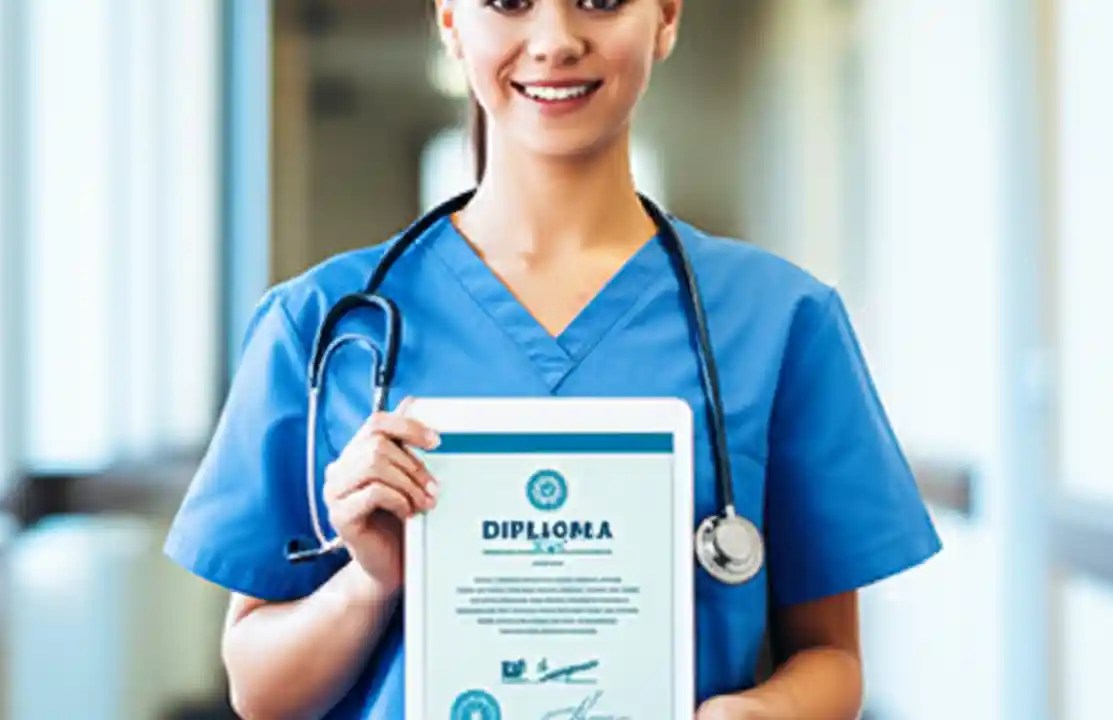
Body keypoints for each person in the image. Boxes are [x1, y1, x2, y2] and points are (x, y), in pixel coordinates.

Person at [162, 0, 942, 718]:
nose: (556, 39)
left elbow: (832, 659)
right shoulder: (319, 321)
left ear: (666, 16)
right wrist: (372, 581)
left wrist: (762, 714)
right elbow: (258, 690)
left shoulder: (781, 320)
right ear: (449, 20)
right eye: (507, 1)